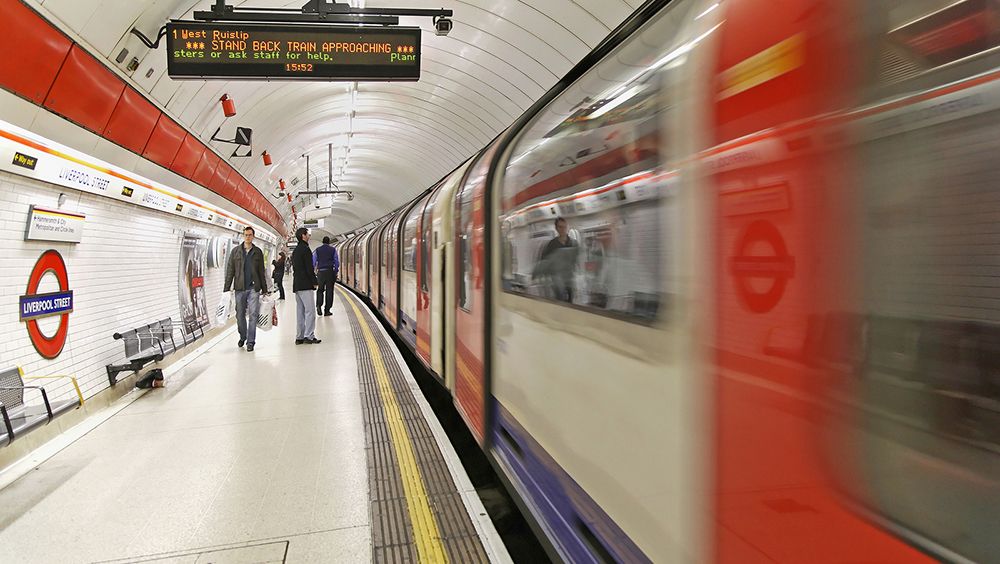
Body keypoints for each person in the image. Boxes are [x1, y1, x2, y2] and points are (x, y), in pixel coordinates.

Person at [224, 226, 268, 352]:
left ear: (253, 236)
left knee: (253, 314)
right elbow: (230, 270)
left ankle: (250, 342)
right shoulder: (235, 252)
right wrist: (226, 288)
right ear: (243, 236)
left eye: (250, 235)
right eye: (246, 235)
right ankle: (243, 336)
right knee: (239, 315)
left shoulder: (258, 252)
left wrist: (264, 289)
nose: (248, 237)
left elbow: (261, 272)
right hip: (239, 288)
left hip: (254, 288)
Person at [534, 217, 578, 303]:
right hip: (557, 280)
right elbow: (545, 261)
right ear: (556, 228)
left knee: (570, 303)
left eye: (564, 227)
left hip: (569, 279)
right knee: (560, 301)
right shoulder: (551, 245)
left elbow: (576, 260)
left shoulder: (573, 243)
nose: (563, 229)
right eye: (560, 227)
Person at [292, 227, 322, 345]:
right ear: (303, 236)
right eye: (308, 234)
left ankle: (299, 337)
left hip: (297, 285)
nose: (309, 236)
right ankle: (309, 335)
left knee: (300, 311)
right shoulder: (306, 249)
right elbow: (309, 268)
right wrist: (314, 281)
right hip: (305, 285)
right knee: (310, 311)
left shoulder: (296, 250)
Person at [314, 236, 340, 316]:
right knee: (329, 291)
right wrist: (335, 271)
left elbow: (313, 261)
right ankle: (327, 310)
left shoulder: (317, 250)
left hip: (321, 273)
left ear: (322, 242)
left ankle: (319, 305)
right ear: (329, 242)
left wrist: (314, 272)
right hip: (329, 272)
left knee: (320, 290)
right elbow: (336, 261)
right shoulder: (333, 250)